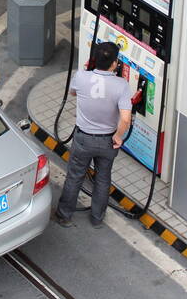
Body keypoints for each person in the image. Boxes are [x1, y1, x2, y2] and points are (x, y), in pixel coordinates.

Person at [53, 40, 132, 227]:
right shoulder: (122, 85)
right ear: (114, 63)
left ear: (94, 60)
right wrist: (118, 137)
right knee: (103, 179)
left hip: (82, 138)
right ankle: (97, 219)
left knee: (75, 176)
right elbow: (126, 119)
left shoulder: (81, 76)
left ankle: (64, 215)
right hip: (107, 142)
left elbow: (73, 93)